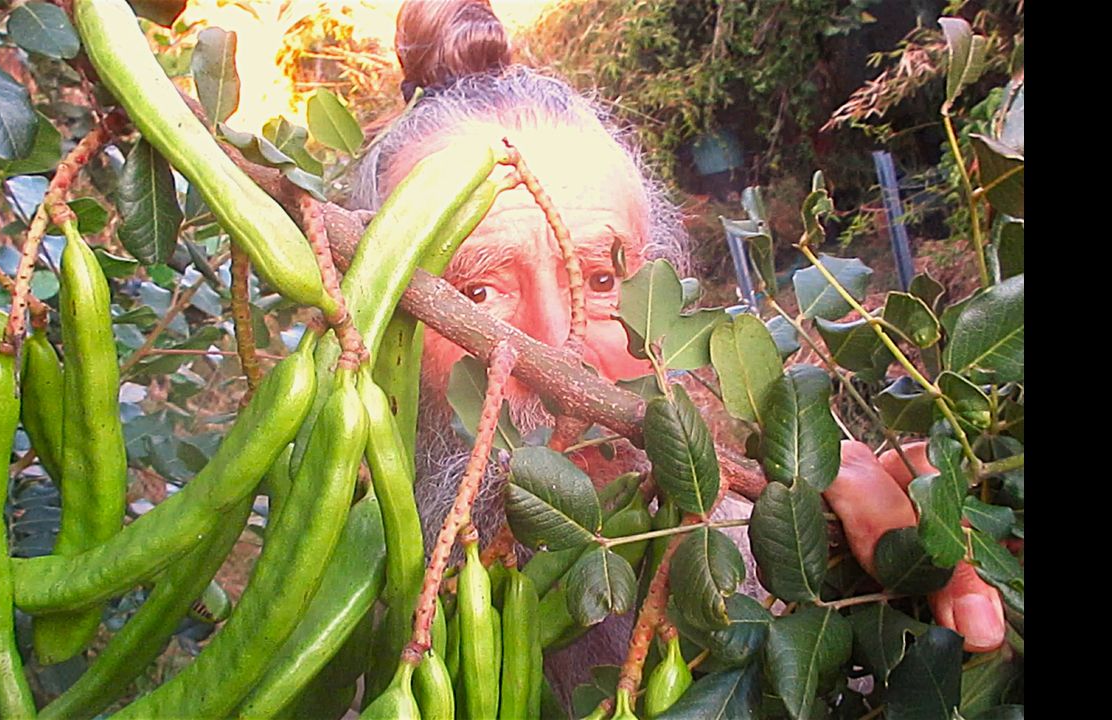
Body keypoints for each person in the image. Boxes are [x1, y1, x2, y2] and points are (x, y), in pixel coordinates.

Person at [351, 0, 1005, 703]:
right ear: (382, 340)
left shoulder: (766, 579)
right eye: (476, 293)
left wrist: (888, 589)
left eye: (602, 281)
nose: (561, 354)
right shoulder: (336, 648)